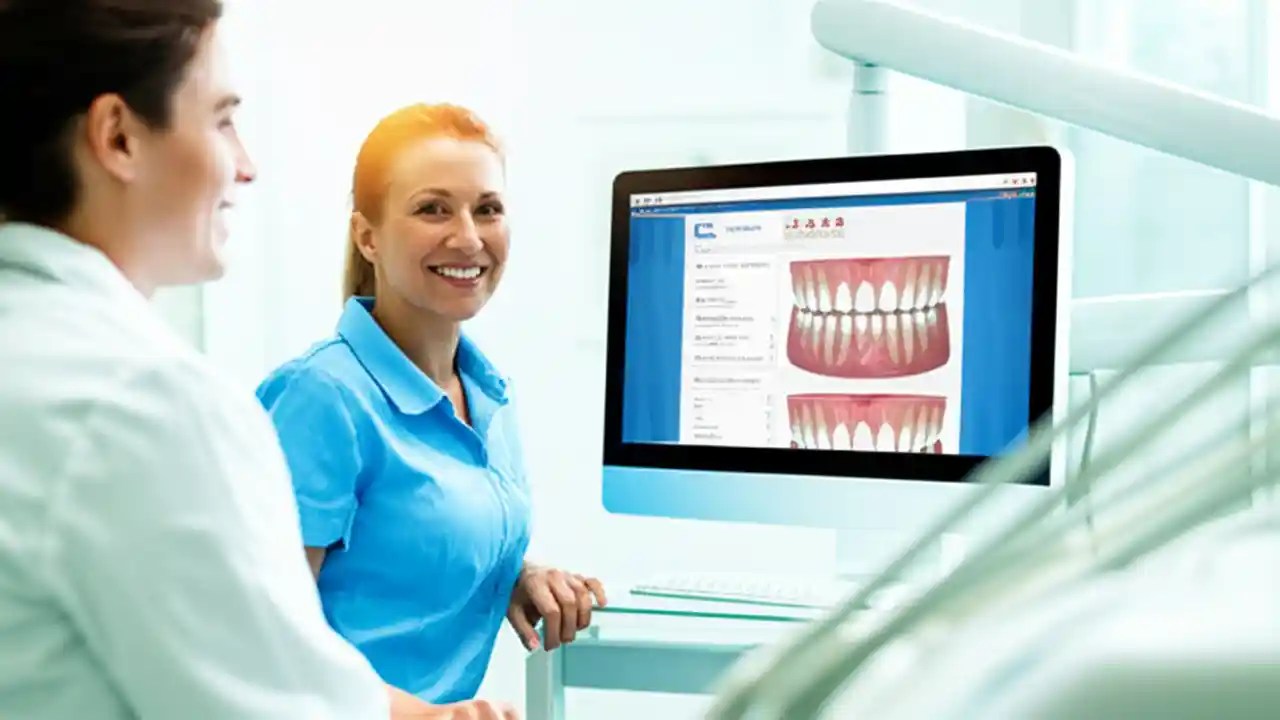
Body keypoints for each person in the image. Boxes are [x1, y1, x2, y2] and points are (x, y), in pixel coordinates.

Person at [0, 2, 515, 718]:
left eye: (487, 207)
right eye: (221, 119)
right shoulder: (142, 401)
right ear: (118, 137)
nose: (246, 165)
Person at [255, 102, 607, 705]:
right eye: (432, 209)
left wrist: (515, 574)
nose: (468, 237)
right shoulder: (322, 398)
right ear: (367, 236)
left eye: (487, 209)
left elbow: (407, 548)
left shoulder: (487, 394)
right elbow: (264, 644)